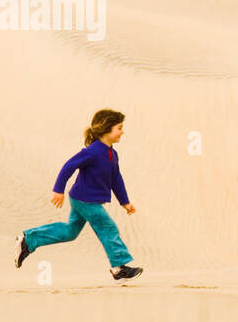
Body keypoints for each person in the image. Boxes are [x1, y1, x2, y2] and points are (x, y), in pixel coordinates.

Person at [15, 109, 143, 281]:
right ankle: (119, 268)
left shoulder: (112, 153)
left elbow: (116, 179)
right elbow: (69, 166)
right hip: (85, 199)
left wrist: (125, 202)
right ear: (107, 129)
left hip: (82, 198)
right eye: (119, 127)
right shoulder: (93, 151)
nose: (122, 131)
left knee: (70, 232)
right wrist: (58, 190)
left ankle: (29, 240)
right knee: (108, 227)